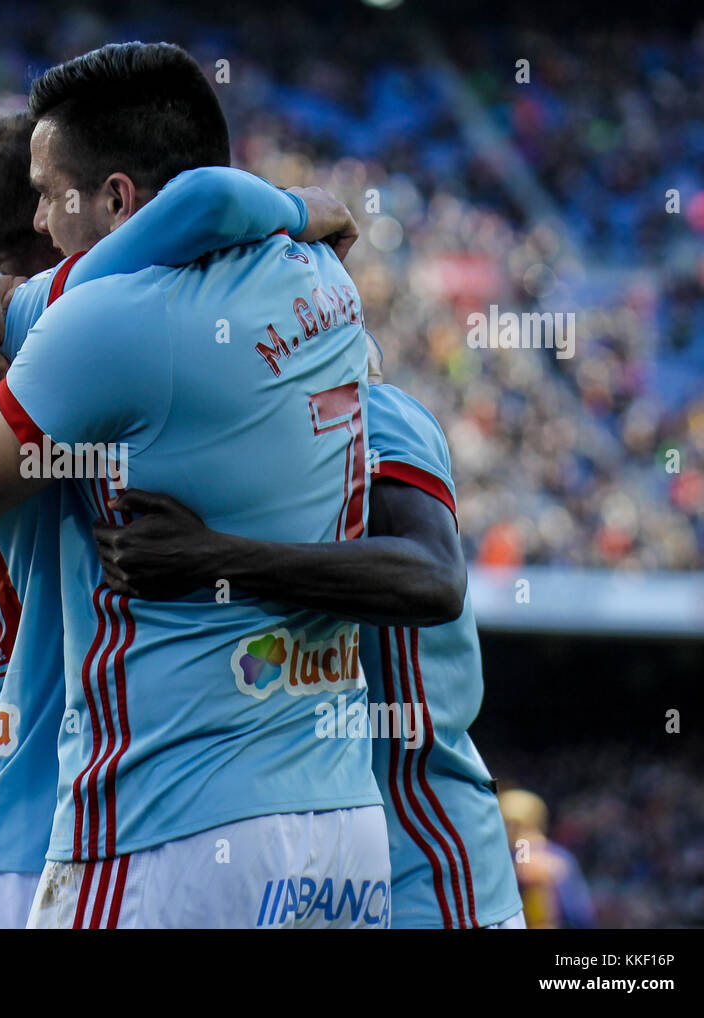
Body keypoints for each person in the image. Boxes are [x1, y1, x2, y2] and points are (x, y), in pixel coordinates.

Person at [0, 42, 387, 928]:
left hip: (165, 824)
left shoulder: (96, 325)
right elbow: (213, 200)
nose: (43, 227)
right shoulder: (323, 281)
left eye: (51, 196)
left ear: (116, 199)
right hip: (339, 824)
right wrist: (303, 205)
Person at [91, 336, 526, 928]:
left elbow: (433, 580)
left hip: (423, 866)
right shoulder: (273, 456)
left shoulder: (373, 409)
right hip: (318, 858)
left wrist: (212, 556)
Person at [499, 788, 595, 928]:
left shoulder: (526, 847)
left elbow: (528, 872)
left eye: (509, 823)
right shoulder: (554, 853)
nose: (505, 828)